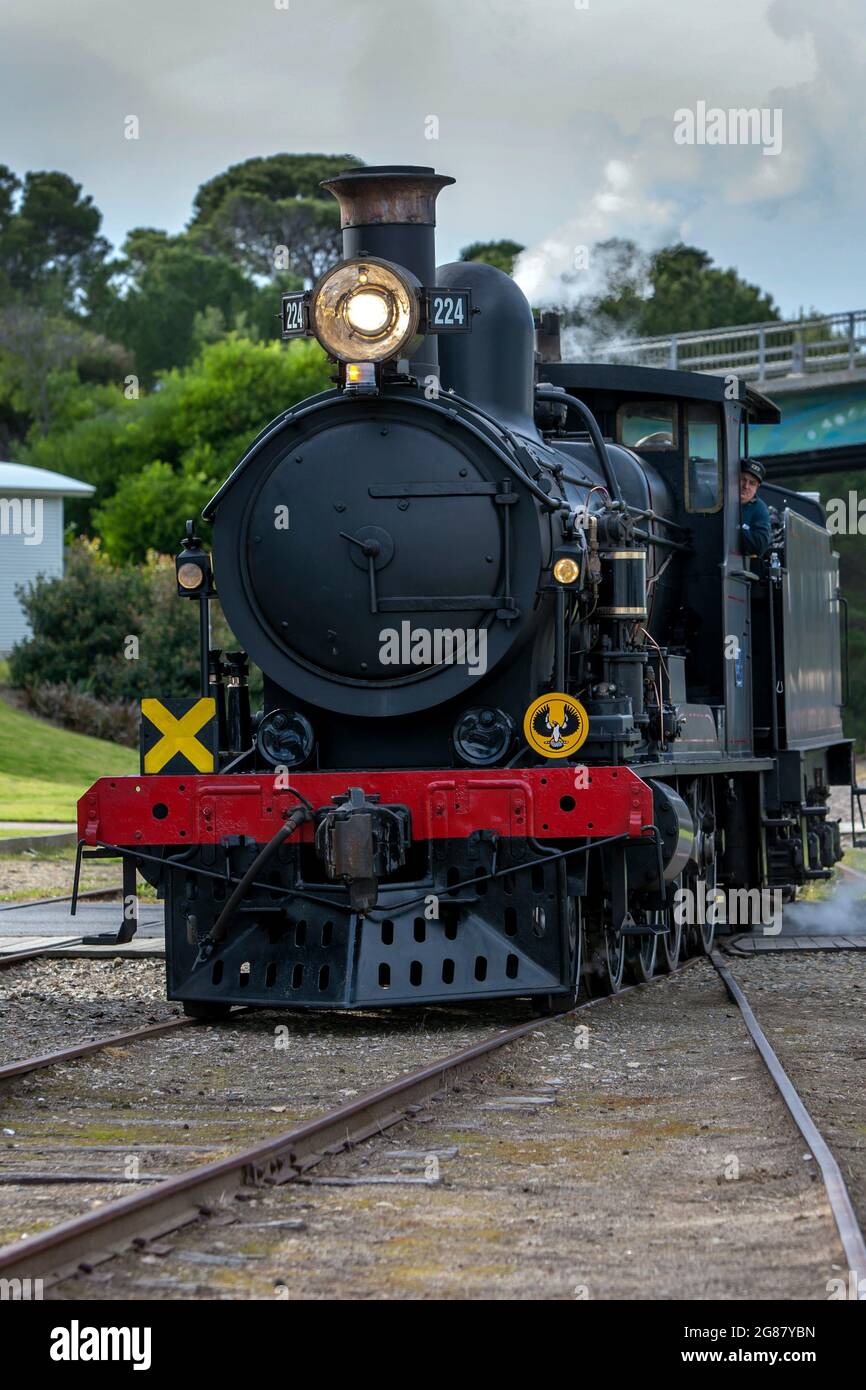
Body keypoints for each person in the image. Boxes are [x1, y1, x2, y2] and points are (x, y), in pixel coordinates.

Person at [739, 458, 771, 557]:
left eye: (752, 483)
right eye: (743, 479)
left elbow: (760, 545)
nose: (746, 486)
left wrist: (734, 529)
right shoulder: (718, 501)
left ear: (757, 487)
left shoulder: (760, 509)